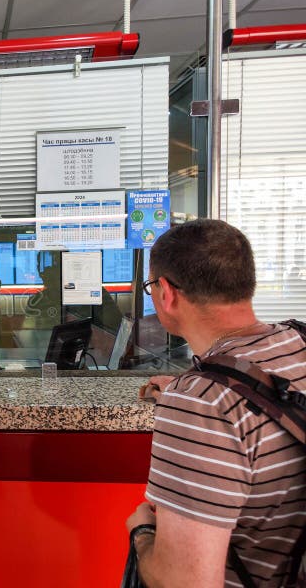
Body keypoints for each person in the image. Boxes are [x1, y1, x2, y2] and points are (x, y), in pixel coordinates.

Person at [125, 219, 306, 587]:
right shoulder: (298, 343)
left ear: (166, 293)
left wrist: (142, 532)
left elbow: (184, 582)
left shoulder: (200, 403)